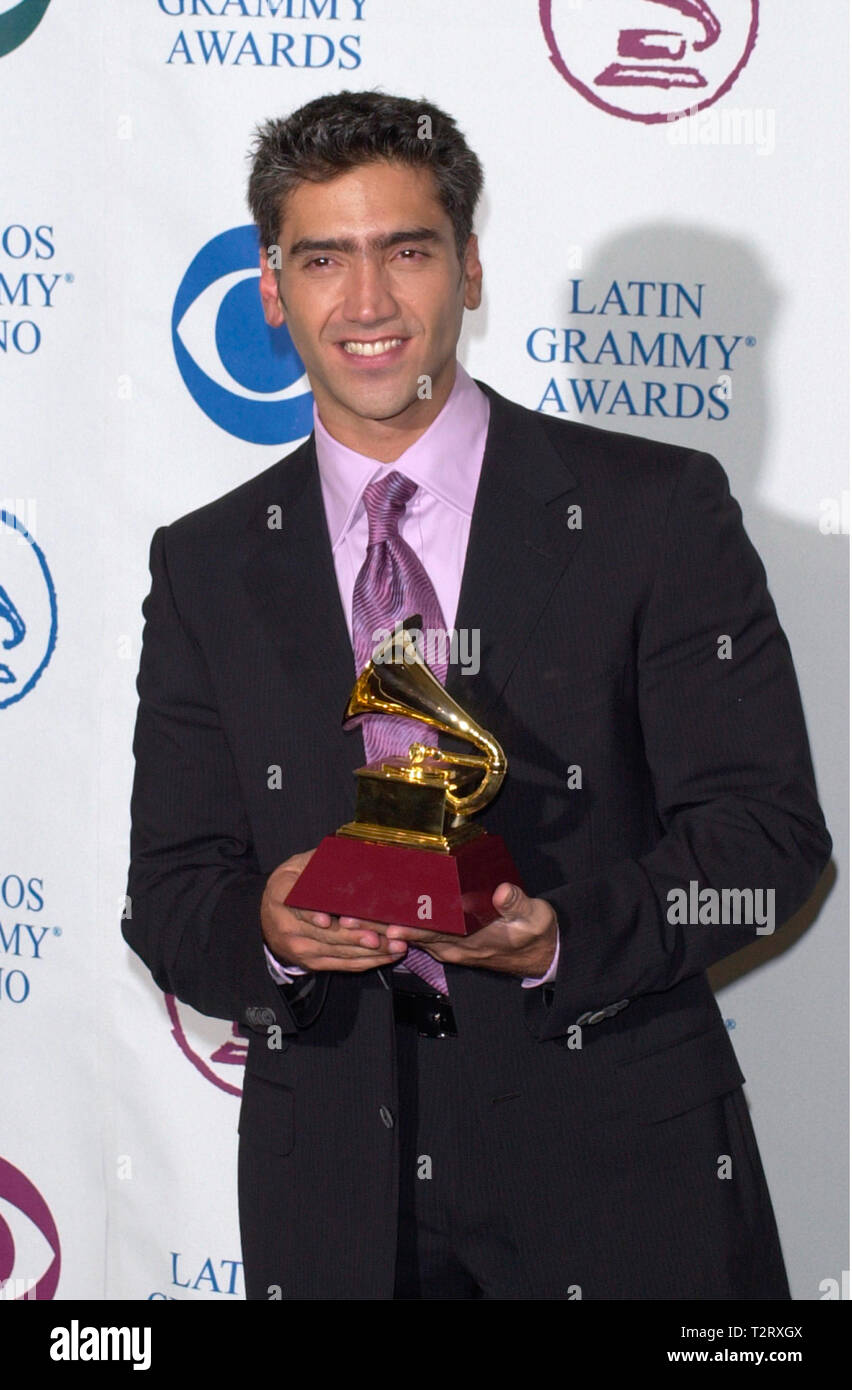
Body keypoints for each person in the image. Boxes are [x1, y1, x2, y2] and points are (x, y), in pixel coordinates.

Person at [123, 90, 831, 1300]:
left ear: (471, 269)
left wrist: (565, 937)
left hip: (622, 1174)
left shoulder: (653, 514)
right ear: (269, 289)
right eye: (323, 258)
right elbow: (171, 892)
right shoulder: (209, 563)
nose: (367, 303)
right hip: (335, 1194)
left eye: (406, 250)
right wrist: (268, 930)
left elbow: (767, 845)